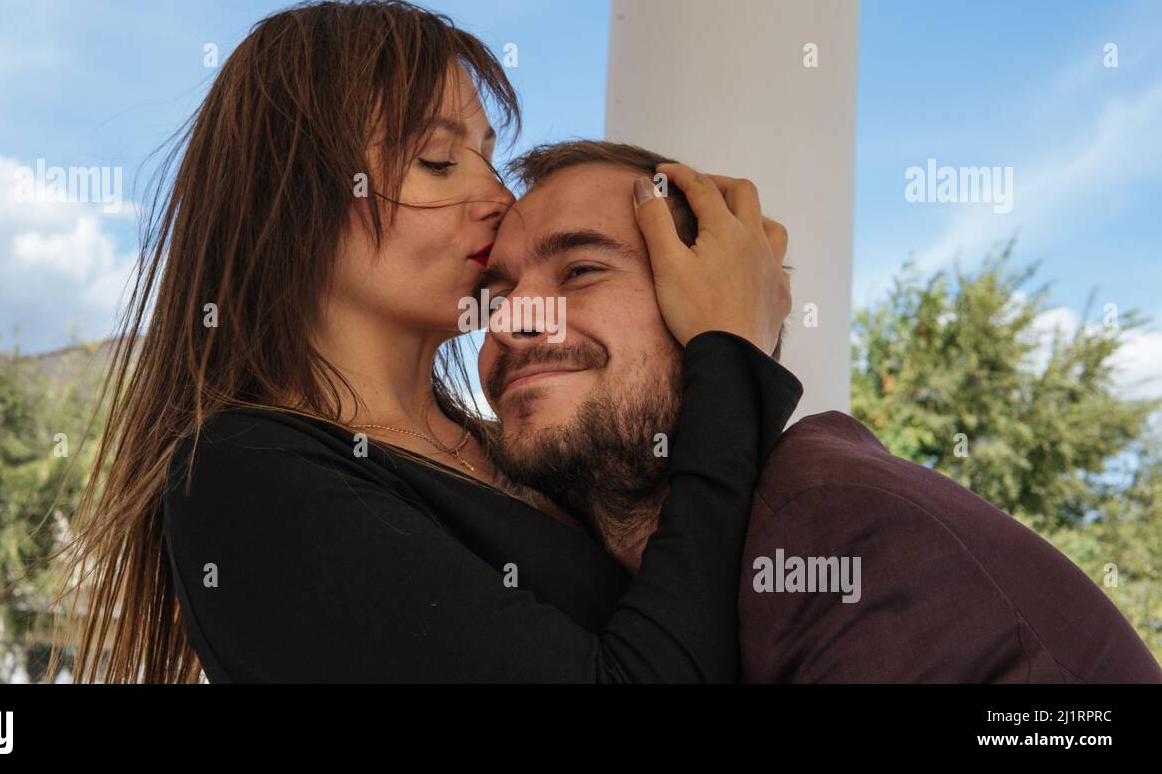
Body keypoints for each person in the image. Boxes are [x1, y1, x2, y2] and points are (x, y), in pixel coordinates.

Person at [49, 0, 797, 683]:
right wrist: (730, 353)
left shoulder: (511, 445)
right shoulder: (248, 472)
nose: (499, 199)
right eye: (439, 161)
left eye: (488, 157)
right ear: (296, 199)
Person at [479, 138, 1162, 683]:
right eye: (495, 291)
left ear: (712, 298)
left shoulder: (832, 520)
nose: (511, 320)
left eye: (581, 271)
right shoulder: (627, 582)